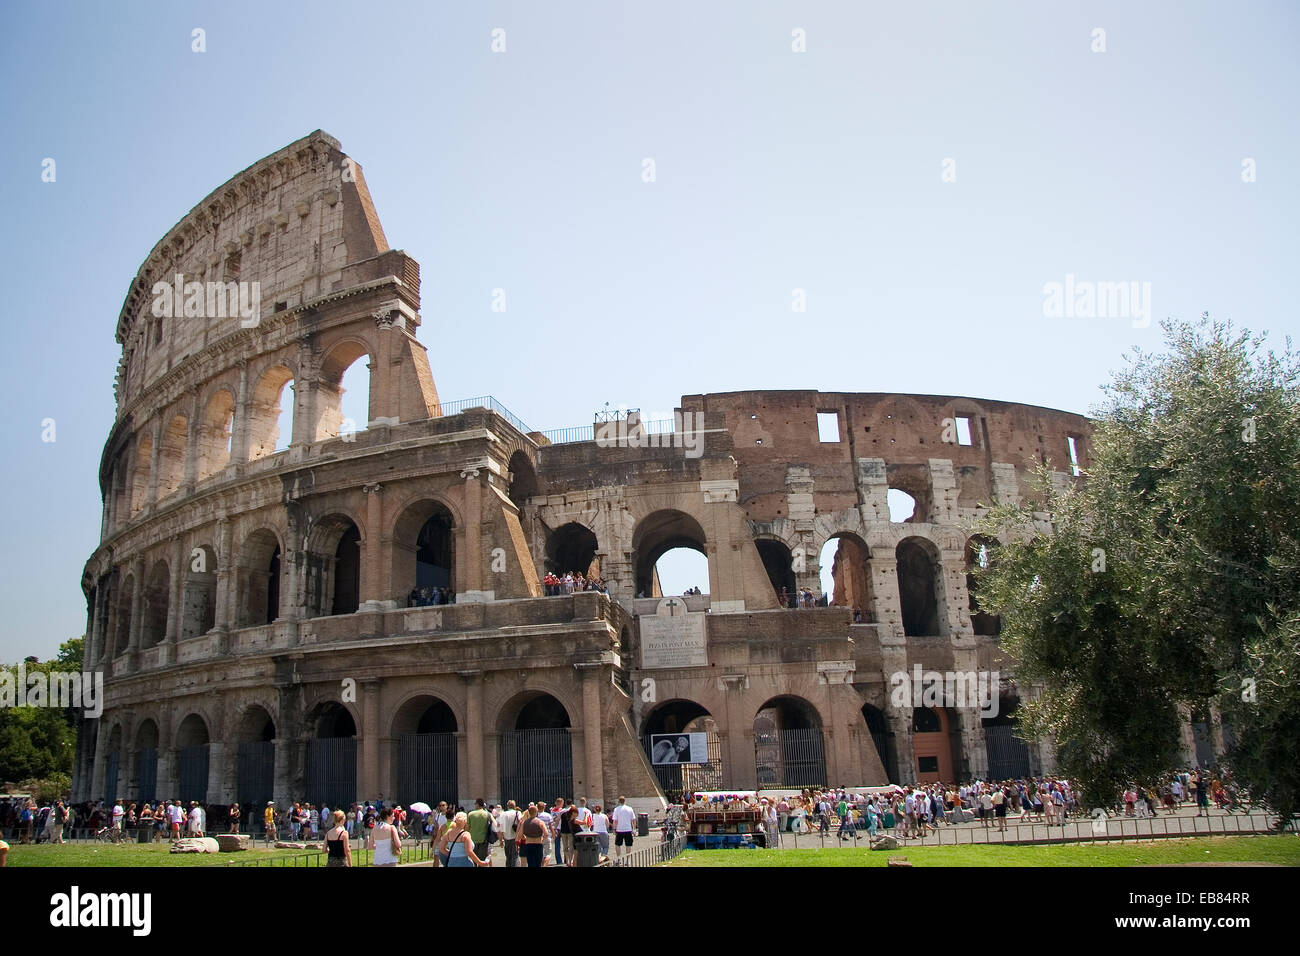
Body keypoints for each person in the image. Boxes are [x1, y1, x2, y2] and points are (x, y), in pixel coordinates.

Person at [498, 800, 522, 868]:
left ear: (507, 806)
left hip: (506, 838)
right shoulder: (518, 813)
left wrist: (500, 840)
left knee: (508, 856)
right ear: (514, 806)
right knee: (515, 856)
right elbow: (521, 823)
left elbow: (500, 828)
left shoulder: (503, 814)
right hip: (515, 837)